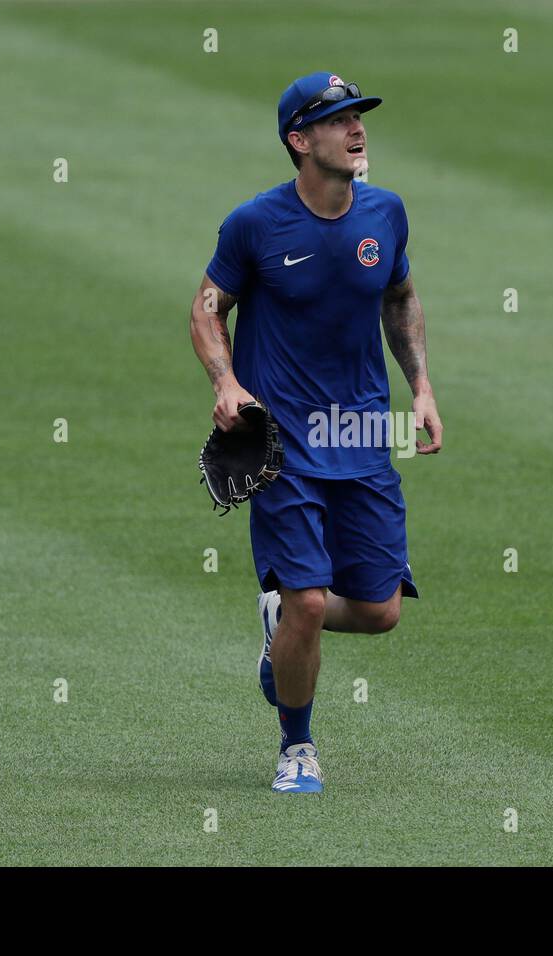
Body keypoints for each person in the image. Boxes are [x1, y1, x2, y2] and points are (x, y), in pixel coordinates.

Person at [189, 72, 442, 793]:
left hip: (362, 435)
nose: (357, 129)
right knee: (307, 596)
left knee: (379, 610)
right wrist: (226, 383)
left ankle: (280, 621)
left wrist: (421, 387)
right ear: (300, 141)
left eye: (359, 116)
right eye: (338, 120)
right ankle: (297, 748)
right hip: (284, 446)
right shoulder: (255, 225)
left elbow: (400, 297)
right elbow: (207, 308)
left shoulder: (385, 214)